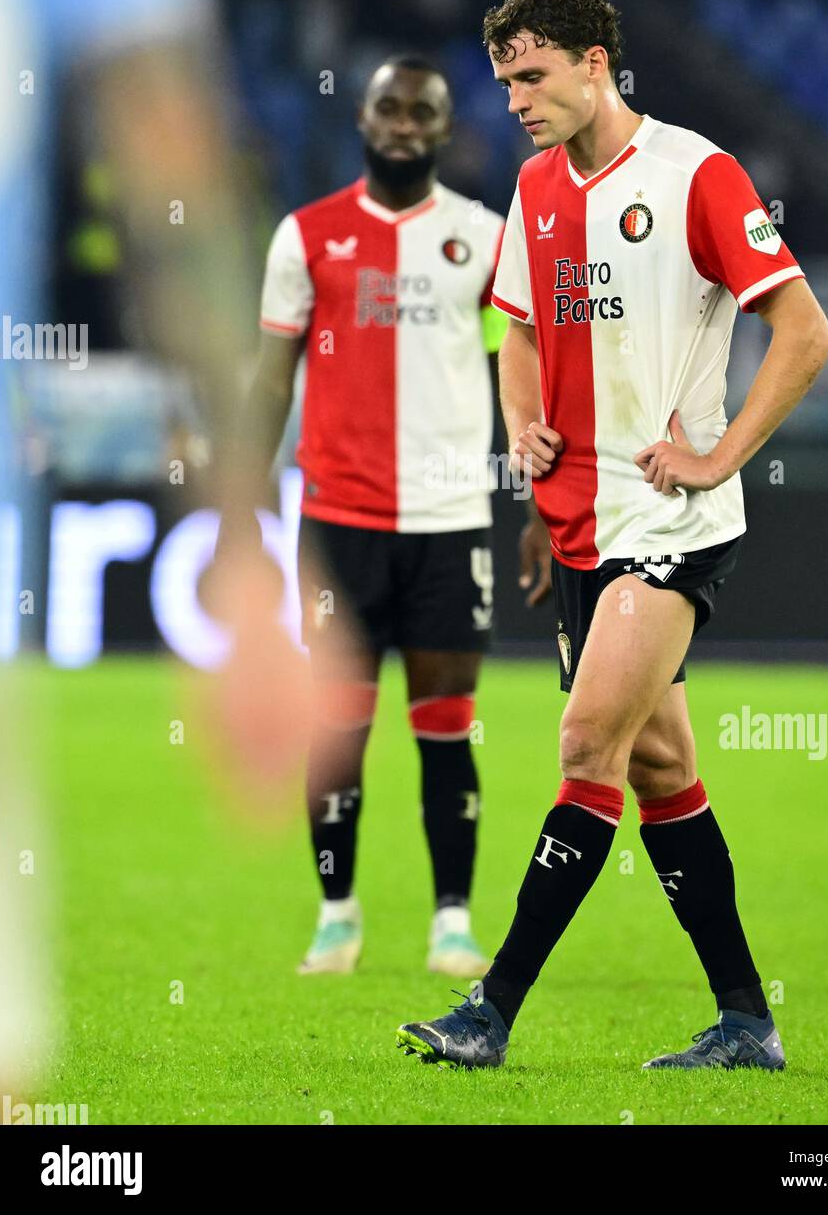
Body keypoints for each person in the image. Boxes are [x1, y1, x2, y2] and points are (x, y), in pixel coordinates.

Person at [396, 0, 828, 1069]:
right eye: (503, 81)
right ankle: (747, 1021)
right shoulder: (536, 193)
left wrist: (719, 455)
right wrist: (520, 430)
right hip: (584, 523)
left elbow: (806, 331)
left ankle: (489, 1013)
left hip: (672, 519)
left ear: (596, 64)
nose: (515, 99)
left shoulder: (696, 175)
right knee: (655, 769)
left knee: (586, 744)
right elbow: (522, 334)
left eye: (532, 76)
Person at [222, 55, 551, 975]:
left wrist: (532, 504)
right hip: (338, 524)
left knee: (445, 725)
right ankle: (337, 913)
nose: (405, 123)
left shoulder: (486, 239)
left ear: (447, 131)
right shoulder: (307, 237)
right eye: (389, 108)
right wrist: (244, 502)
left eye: (424, 112)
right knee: (336, 730)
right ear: (362, 120)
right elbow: (270, 378)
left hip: (449, 518)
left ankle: (452, 919)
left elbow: (514, 371)